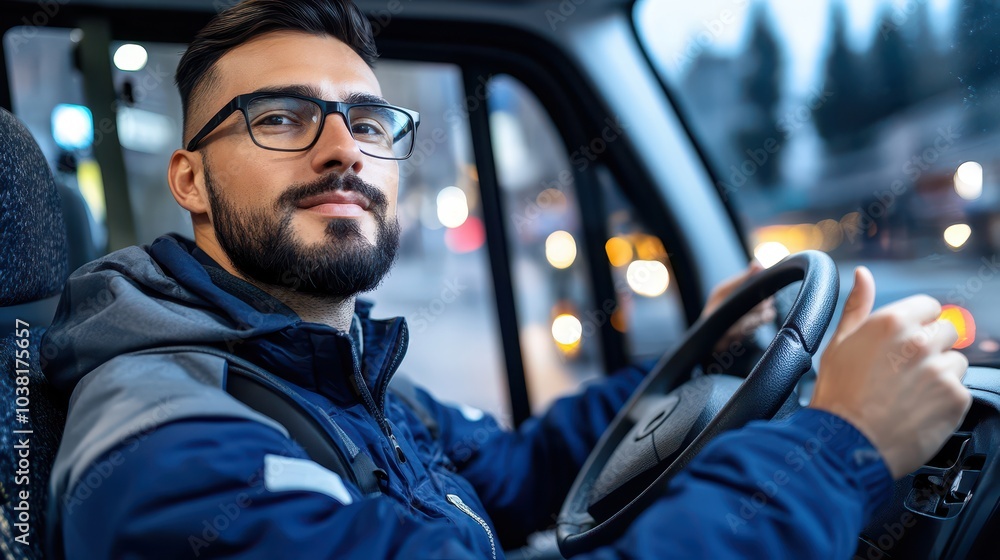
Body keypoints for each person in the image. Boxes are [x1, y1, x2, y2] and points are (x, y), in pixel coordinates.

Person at [40, 0, 971, 558]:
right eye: (280, 119)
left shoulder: (322, 364)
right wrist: (841, 446)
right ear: (190, 180)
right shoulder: (169, 454)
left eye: (369, 123)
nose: (342, 151)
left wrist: (706, 357)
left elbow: (515, 472)